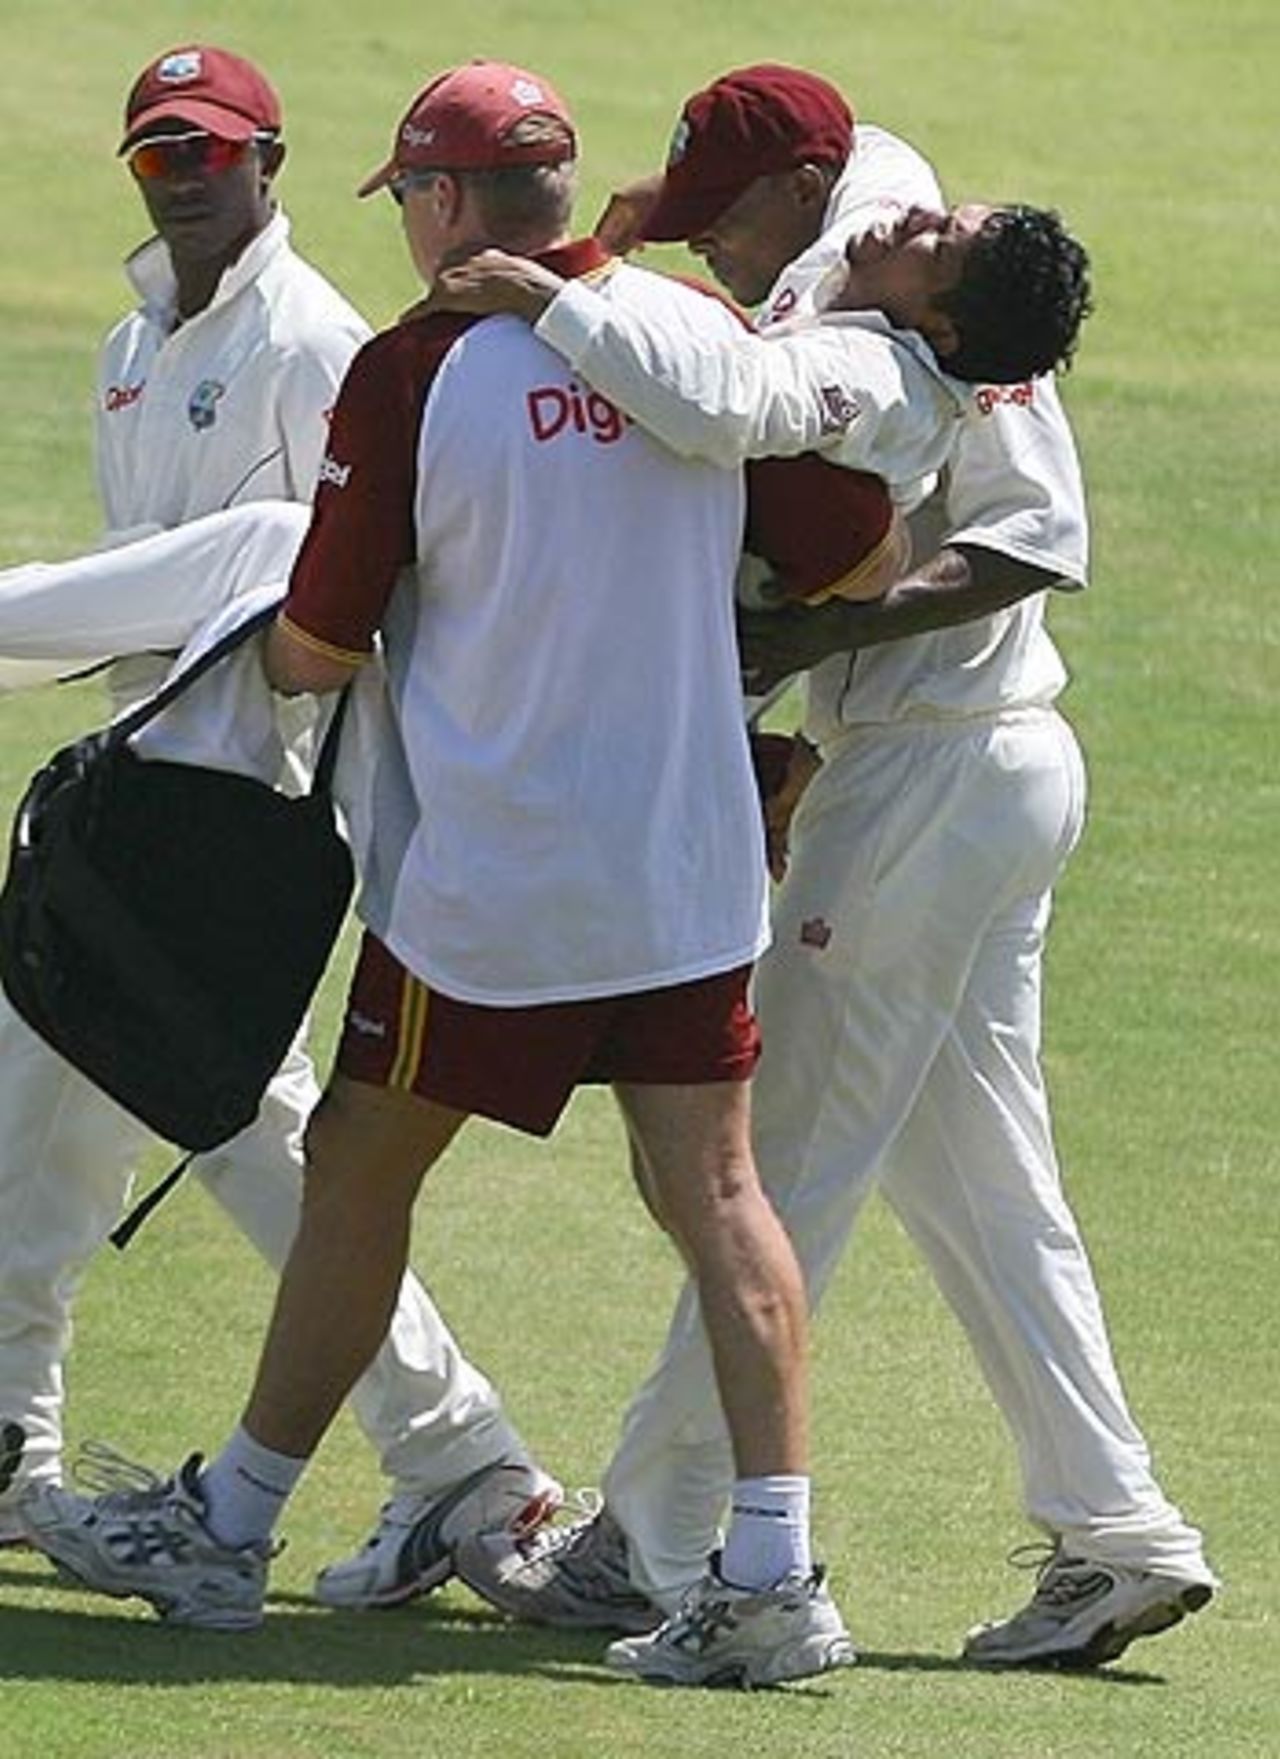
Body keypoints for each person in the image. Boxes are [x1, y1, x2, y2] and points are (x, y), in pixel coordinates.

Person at [16, 59, 859, 1692]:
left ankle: (234, 1525)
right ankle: (774, 1574)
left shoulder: (411, 376)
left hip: (489, 890)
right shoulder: (699, 343)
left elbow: (320, 646)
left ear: (450, 202)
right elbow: (852, 549)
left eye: (409, 197)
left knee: (355, 1168)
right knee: (717, 1196)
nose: (406, 226)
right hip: (683, 872)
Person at [443, 64, 1217, 1670]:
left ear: (797, 203)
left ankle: (649, 1543)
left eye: (731, 229)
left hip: (932, 787)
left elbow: (1018, 539)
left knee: (773, 1166)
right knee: (988, 1188)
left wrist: (813, 630)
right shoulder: (875, 209)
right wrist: (674, 218)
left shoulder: (877, 352)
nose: (714, 260)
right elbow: (857, 157)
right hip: (973, 777)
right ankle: (1120, 1533)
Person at [0, 43, 562, 1608]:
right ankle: (12, 1440)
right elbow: (148, 586)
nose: (184, 178)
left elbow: (322, 577)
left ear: (270, 161)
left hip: (248, 799)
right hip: (148, 781)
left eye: (209, 152)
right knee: (55, 1108)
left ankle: (469, 1462)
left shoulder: (315, 340)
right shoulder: (132, 340)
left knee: (244, 1133)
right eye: (157, 157)